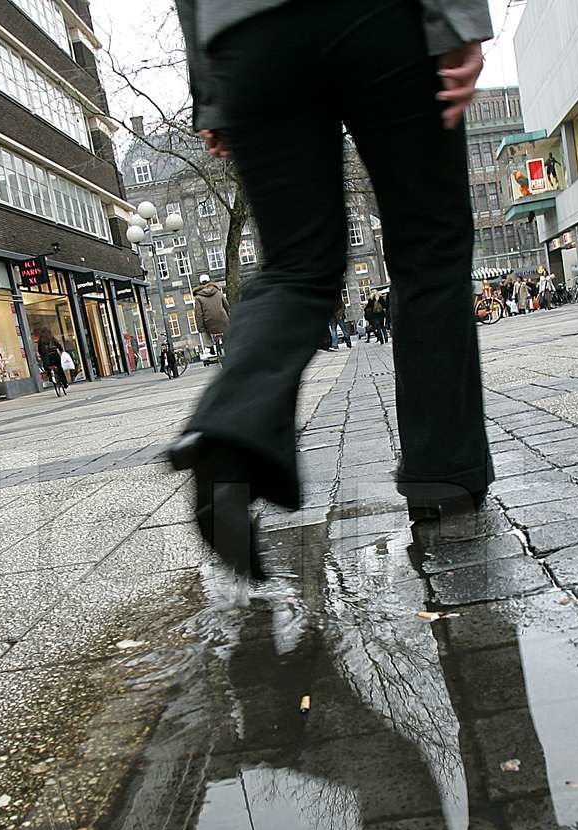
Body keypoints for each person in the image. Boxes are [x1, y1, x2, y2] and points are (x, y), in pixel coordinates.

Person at [167, 0, 494, 578]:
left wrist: (210, 90)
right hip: (382, 20)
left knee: (296, 263)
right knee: (430, 243)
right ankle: (446, 473)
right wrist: (459, 22)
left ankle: (231, 433)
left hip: (246, 34)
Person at [192, 273, 231, 359]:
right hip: (222, 320)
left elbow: (199, 314)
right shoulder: (218, 292)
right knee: (226, 328)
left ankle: (210, 348)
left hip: (209, 323)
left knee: (204, 331)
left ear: (200, 283)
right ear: (210, 281)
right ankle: (229, 344)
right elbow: (226, 305)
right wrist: (229, 317)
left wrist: (200, 328)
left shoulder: (198, 297)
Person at [36, 327, 68, 397]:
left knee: (47, 367)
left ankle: (51, 376)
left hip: (47, 358)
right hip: (55, 355)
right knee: (59, 368)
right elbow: (58, 345)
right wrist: (61, 350)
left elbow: (39, 351)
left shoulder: (40, 340)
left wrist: (42, 356)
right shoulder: (51, 338)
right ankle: (65, 383)